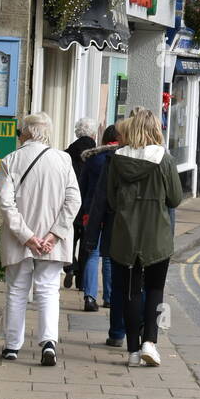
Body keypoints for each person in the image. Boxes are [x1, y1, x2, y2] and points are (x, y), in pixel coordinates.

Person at [0, 113, 81, 366]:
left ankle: (12, 346)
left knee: (16, 290)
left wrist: (28, 237)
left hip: (18, 238)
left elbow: (5, 204)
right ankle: (48, 344)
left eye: (19, 131)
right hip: (51, 241)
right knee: (47, 290)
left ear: (27, 133)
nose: (18, 135)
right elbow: (73, 201)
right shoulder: (63, 160)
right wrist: (53, 235)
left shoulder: (10, 160)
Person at [106, 107, 182, 368]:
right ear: (155, 129)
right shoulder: (165, 160)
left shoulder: (117, 158)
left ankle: (133, 351)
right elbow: (175, 198)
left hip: (125, 236)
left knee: (130, 292)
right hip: (157, 236)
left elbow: (112, 199)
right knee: (154, 290)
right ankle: (150, 341)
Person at [80, 123, 121, 325]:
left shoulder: (93, 158)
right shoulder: (122, 157)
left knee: (92, 253)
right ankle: (109, 297)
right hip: (113, 213)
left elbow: (83, 186)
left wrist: (85, 212)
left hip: (92, 212)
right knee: (109, 256)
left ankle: (89, 296)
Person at [63, 117, 96, 291]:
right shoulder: (98, 155)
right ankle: (82, 282)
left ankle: (70, 267)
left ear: (77, 132)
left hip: (69, 204)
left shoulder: (66, 154)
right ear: (93, 133)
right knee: (86, 246)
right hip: (89, 207)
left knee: (68, 240)